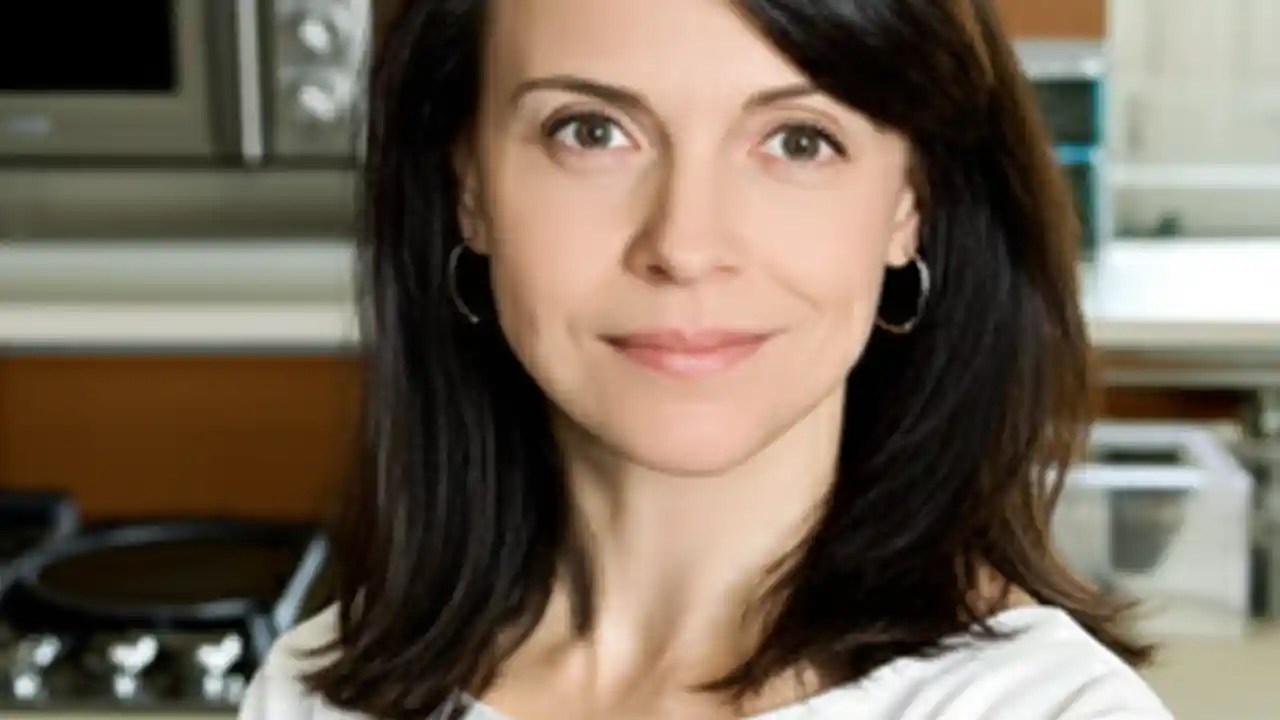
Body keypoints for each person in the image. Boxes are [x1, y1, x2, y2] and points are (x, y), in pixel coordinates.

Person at [239, 0, 1174, 718]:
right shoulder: (317, 692)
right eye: (592, 131)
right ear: (469, 186)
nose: (685, 245)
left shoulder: (1048, 710)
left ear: (910, 205)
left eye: (798, 141)